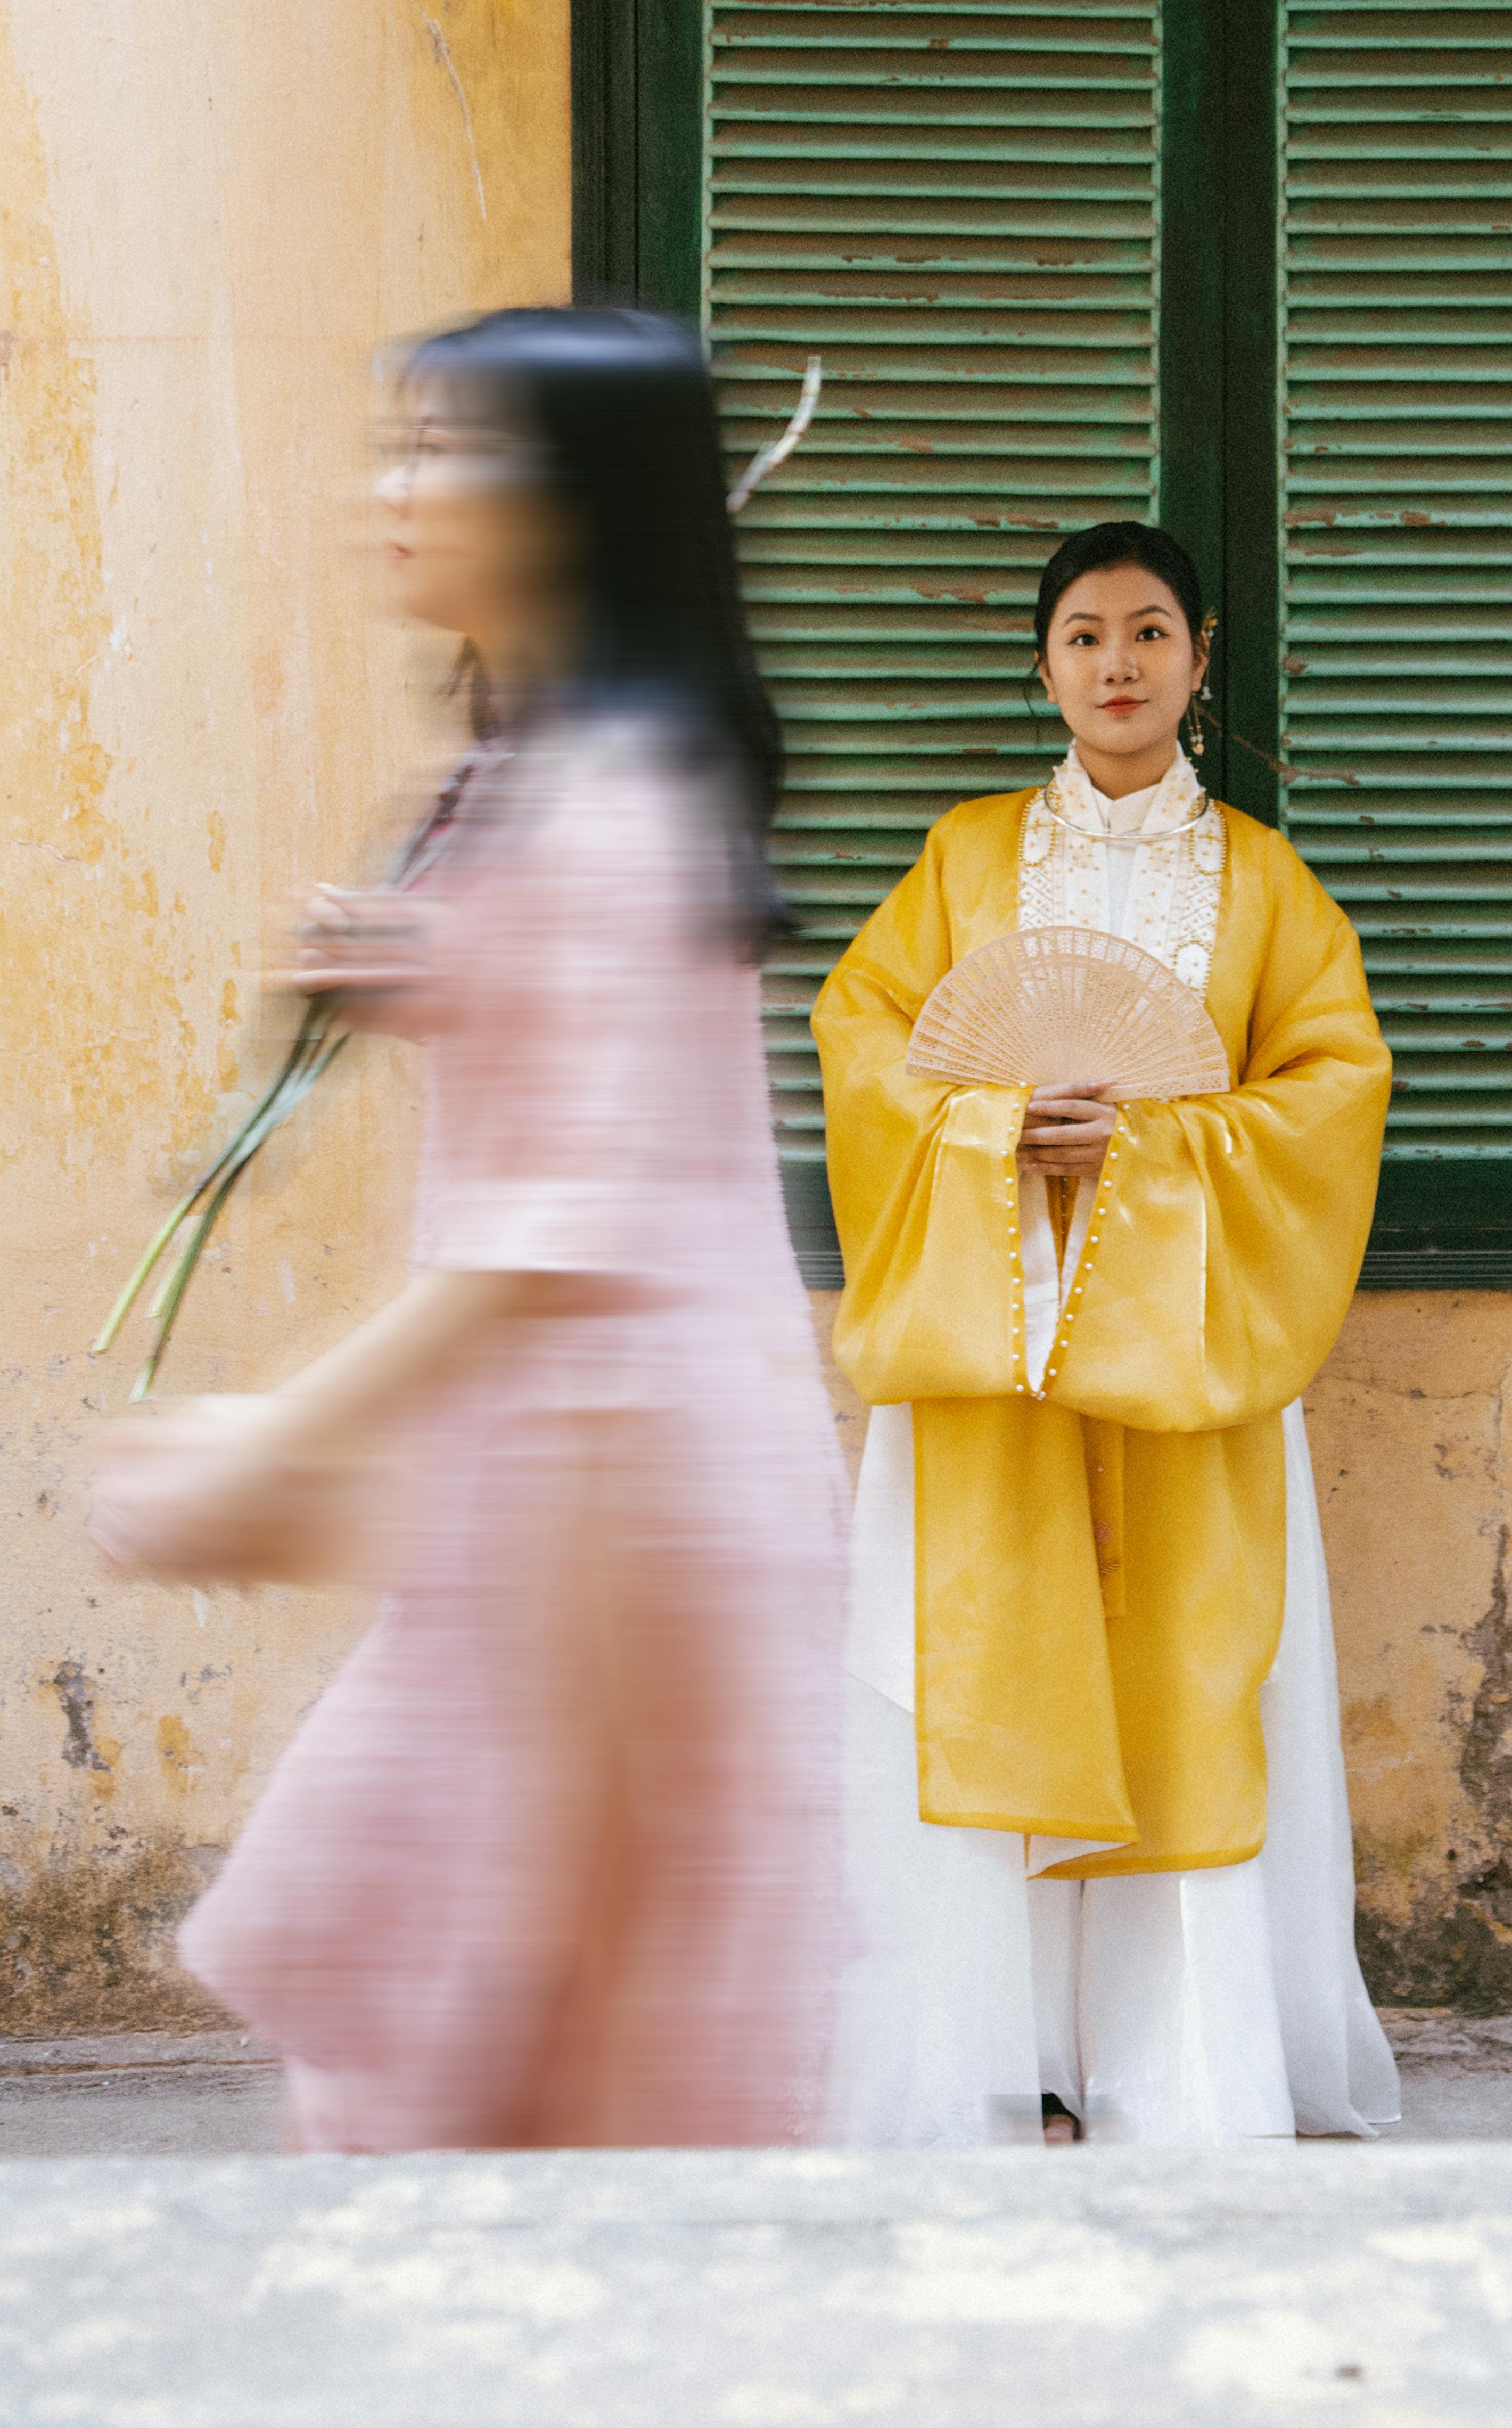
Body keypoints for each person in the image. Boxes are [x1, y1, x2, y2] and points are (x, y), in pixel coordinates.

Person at [91, 308, 844, 2152]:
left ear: (574, 506)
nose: (396, 489)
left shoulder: (610, 800)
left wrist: (277, 1443)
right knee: (508, 2057)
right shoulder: (554, 773)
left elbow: (556, 1239)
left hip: (614, 1508)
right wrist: (443, 977)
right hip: (571, 1488)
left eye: (449, 449)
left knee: (526, 2076)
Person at [815, 519, 1400, 2145]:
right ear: (1044, 667)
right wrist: (997, 1125)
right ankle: (1004, 2068)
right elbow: (869, 1045)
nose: (1118, 664)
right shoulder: (963, 862)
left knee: (1187, 1671)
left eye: (1149, 632)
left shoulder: (1271, 886)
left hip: (1185, 1331)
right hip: (993, 1309)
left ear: (1201, 657)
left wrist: (1143, 1153)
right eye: (1085, 636)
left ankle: (1178, 2066)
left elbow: (1332, 1091)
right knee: (998, 1653)